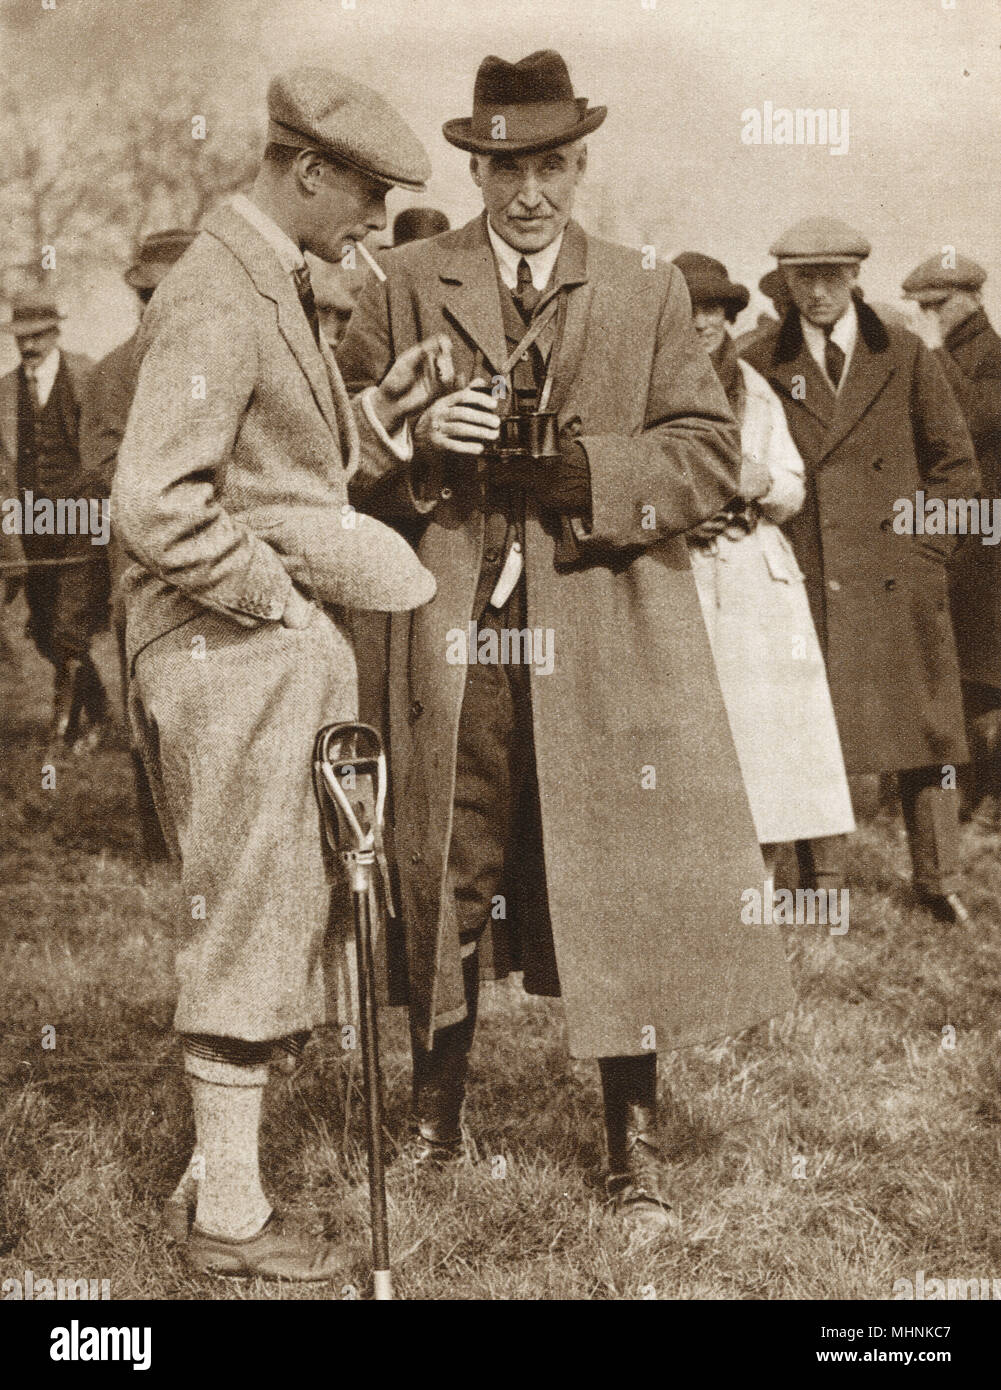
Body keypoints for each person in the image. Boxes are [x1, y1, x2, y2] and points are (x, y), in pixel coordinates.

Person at [339, 50, 795, 1232]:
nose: (526, 191)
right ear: (474, 168)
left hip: (603, 628)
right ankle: (435, 1123)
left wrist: (592, 472)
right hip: (454, 633)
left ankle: (630, 1148)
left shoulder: (644, 290)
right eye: (503, 166)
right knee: (447, 858)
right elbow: (334, 460)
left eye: (548, 164)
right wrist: (415, 436)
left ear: (580, 164)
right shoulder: (398, 282)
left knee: (622, 869)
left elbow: (706, 454)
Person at [113, 64, 453, 1281]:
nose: (374, 219)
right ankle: (231, 1224)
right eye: (366, 194)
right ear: (306, 170)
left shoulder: (272, 286)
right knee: (251, 910)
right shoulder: (218, 291)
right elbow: (156, 503)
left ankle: (222, 1170)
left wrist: (386, 424)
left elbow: (279, 477)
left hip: (255, 649)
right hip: (225, 651)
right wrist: (282, 605)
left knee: (277, 909)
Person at [742, 217, 980, 923]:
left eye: (830, 276)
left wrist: (922, 552)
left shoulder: (904, 353)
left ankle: (939, 881)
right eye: (801, 278)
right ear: (785, 282)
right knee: (813, 729)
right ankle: (823, 884)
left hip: (898, 579)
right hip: (811, 576)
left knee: (928, 733)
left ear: (854, 279)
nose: (816, 292)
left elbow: (956, 470)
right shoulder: (758, 359)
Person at [673, 252, 854, 873]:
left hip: (755, 574)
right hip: (684, 571)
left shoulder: (755, 388)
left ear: (728, 316)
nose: (702, 322)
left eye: (713, 309)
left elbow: (792, 486)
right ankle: (707, 875)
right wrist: (682, 513)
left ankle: (777, 872)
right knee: (698, 729)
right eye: (690, 309)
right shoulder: (651, 384)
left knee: (772, 729)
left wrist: (755, 482)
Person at [79, 229, 195, 858]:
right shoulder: (114, 372)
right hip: (144, 571)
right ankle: (160, 847)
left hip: (222, 567)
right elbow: (99, 464)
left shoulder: (218, 361)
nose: (161, 305)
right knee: (151, 706)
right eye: (151, 294)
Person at [903, 253, 1001, 831]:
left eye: (937, 306)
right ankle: (961, 791)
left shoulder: (991, 358)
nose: (929, 316)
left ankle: (980, 796)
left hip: (988, 546)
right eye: (923, 307)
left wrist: (926, 354)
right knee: (957, 670)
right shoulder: (946, 358)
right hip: (956, 538)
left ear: (971, 298)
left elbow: (966, 419)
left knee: (985, 677)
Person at [0, 295, 106, 747]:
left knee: (69, 625)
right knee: (44, 631)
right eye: (22, 337)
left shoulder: (87, 375)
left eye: (38, 335)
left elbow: (107, 447)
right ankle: (97, 708)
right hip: (31, 524)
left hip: (83, 517)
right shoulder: (4, 392)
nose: (29, 345)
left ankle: (66, 724)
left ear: (55, 334)